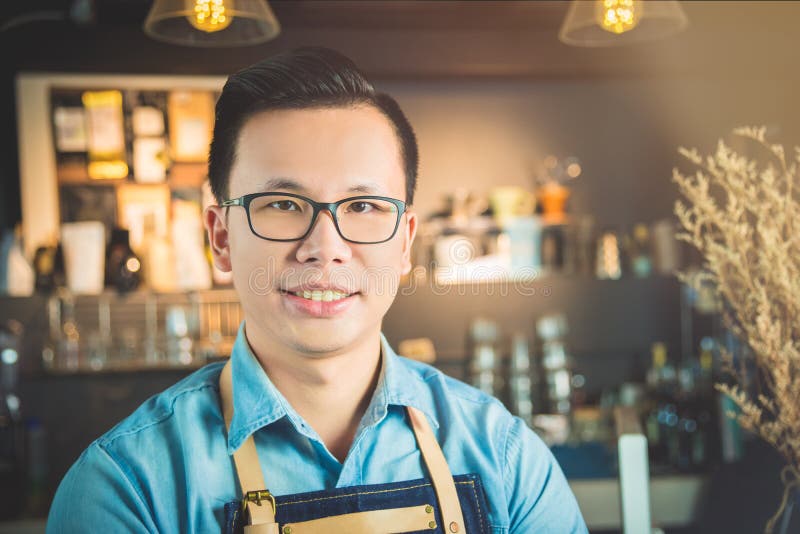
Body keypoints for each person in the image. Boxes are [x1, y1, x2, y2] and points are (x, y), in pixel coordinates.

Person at [47, 47, 587, 533]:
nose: (324, 248)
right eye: (283, 205)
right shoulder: (126, 489)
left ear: (405, 242)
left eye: (363, 206)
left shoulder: (506, 458)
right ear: (221, 237)